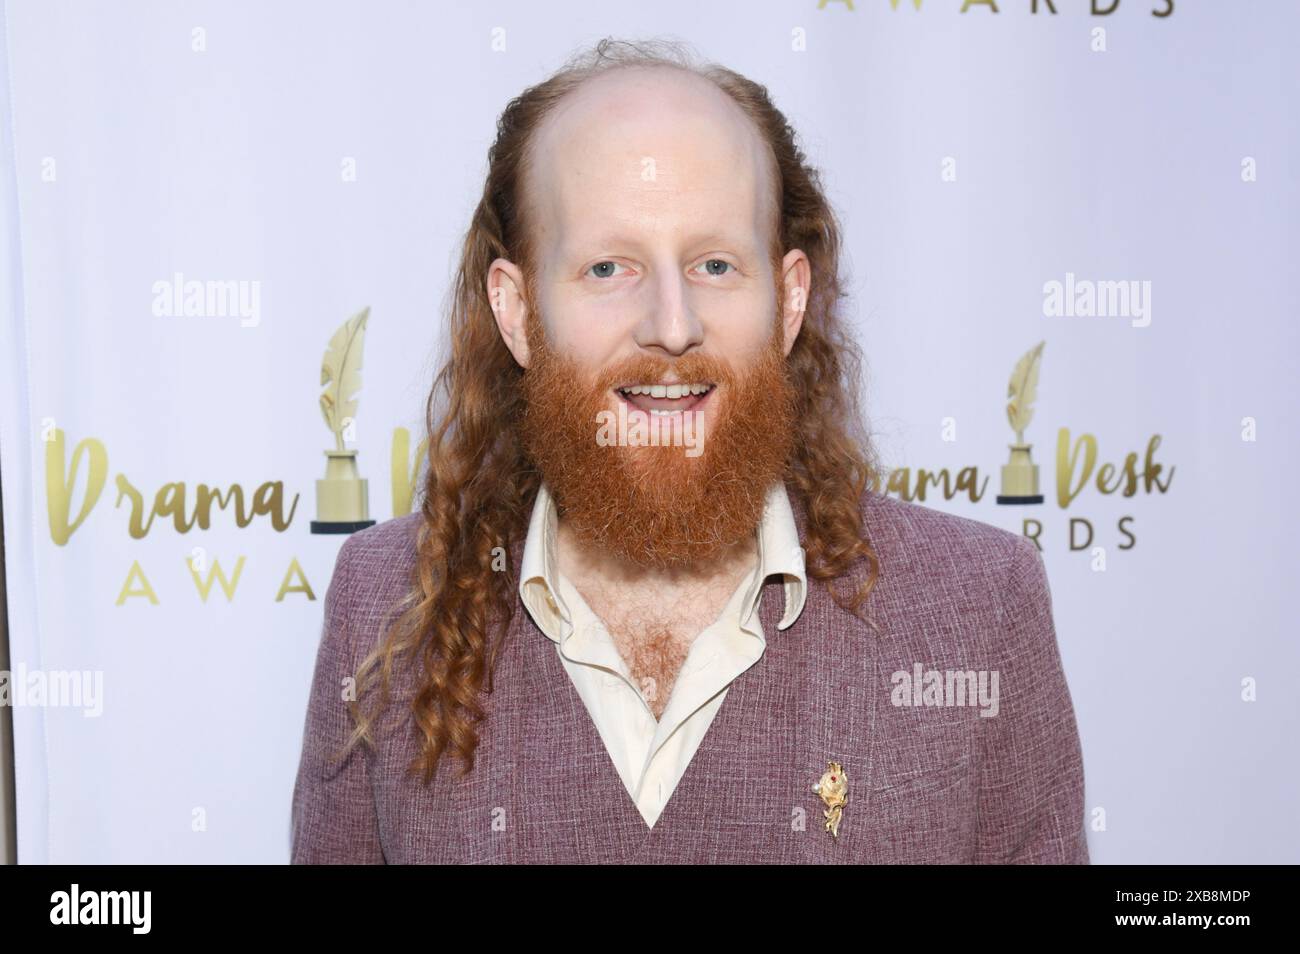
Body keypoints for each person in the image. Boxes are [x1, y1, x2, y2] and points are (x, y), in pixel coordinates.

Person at [290, 37, 1088, 864]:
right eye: (608, 267)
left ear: (787, 301)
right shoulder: (384, 607)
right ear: (519, 311)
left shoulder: (978, 610)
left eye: (714, 263)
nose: (672, 325)